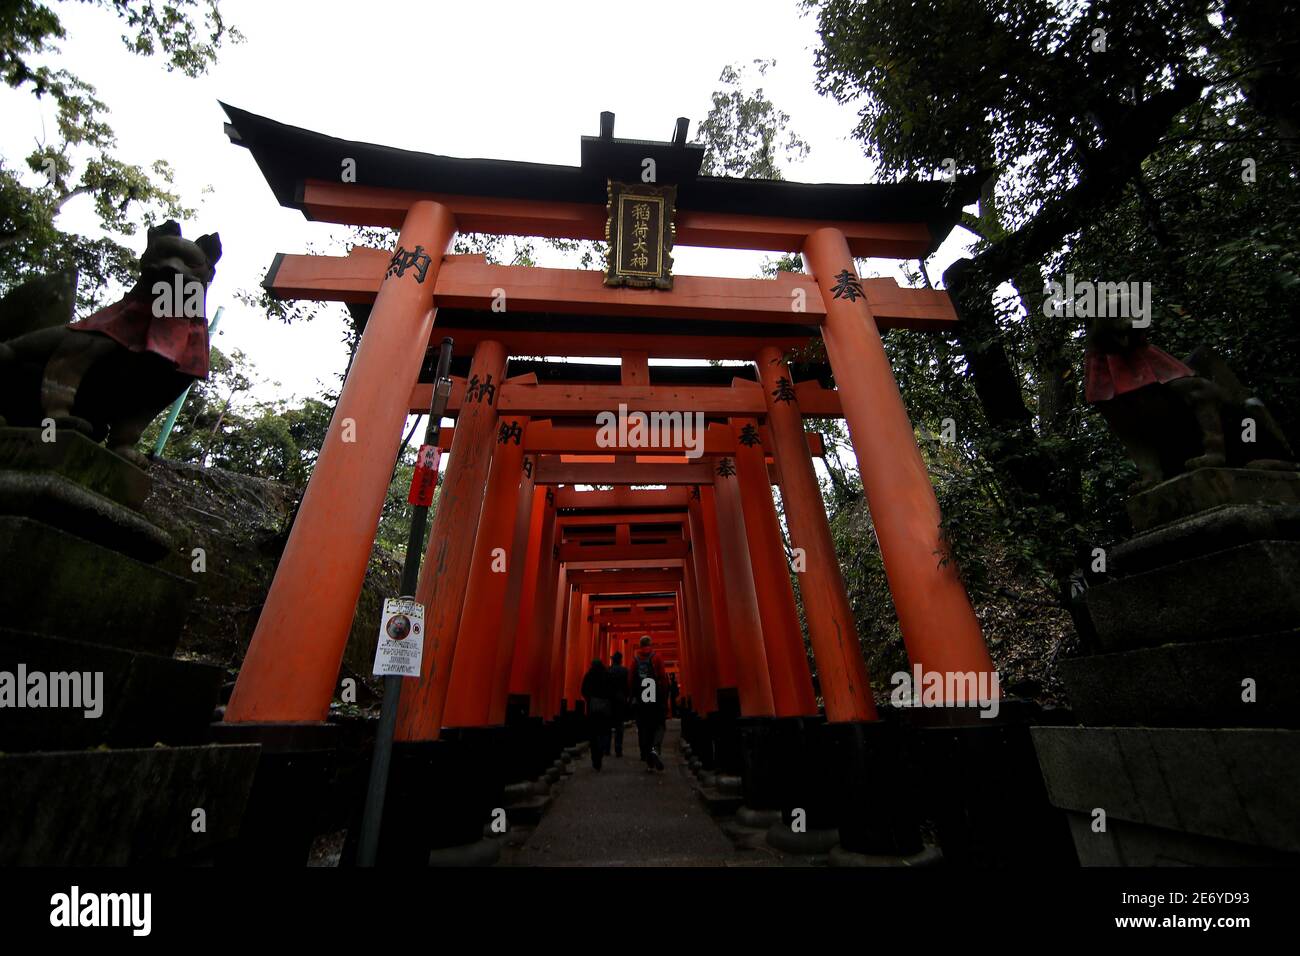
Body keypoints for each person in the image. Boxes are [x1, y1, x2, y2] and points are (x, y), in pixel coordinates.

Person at [628, 635, 668, 772]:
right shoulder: (656, 658)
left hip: (641, 700)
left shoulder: (635, 660)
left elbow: (630, 680)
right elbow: (663, 678)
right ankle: (655, 749)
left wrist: (632, 697)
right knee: (659, 725)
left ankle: (646, 755)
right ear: (650, 644)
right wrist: (664, 697)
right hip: (655, 698)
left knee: (644, 727)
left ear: (639, 646)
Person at [581, 659, 613, 771]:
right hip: (605, 708)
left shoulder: (589, 675)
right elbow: (612, 691)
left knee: (593, 734)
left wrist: (589, 699)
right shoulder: (607, 675)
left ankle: (595, 757)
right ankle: (602, 748)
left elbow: (583, 690)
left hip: (593, 708)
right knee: (604, 731)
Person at [607, 651, 629, 757]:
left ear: (612, 660)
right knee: (619, 725)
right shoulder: (625, 671)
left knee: (607, 725)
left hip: (609, 700)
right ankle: (618, 748)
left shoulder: (608, 671)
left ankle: (606, 748)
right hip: (620, 700)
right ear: (620, 660)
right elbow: (628, 686)